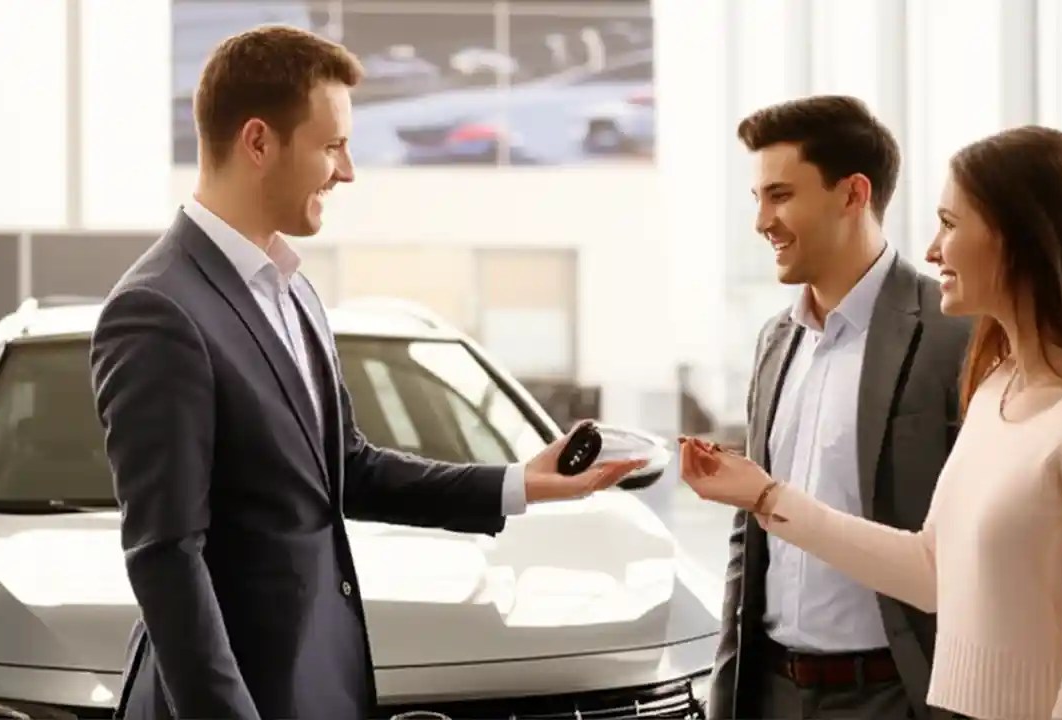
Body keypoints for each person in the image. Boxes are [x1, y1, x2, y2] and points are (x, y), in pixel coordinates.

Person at [89, 26, 645, 720]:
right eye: (332, 146)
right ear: (258, 142)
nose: (346, 172)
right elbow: (166, 556)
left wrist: (520, 482)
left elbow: (346, 468)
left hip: (317, 686)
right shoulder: (157, 310)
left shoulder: (292, 290)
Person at [680, 125, 1062, 720]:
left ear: (1023, 237)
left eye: (950, 224)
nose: (932, 251)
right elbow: (931, 572)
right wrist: (766, 496)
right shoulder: (997, 386)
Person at [704, 95, 973, 720]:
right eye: (758, 199)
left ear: (853, 193)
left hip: (897, 696)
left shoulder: (956, 333)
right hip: (771, 690)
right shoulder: (775, 341)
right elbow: (749, 533)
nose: (762, 222)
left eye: (780, 196)